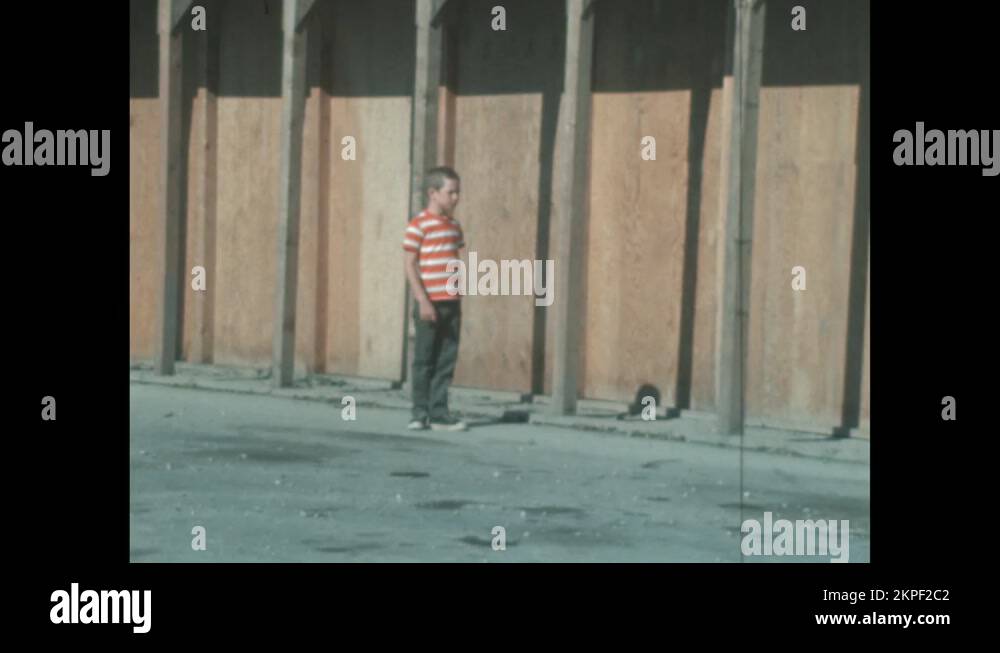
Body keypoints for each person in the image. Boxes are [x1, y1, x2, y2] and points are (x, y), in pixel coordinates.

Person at [402, 166, 468, 431]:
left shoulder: (454, 226)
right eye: (450, 192)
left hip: (451, 302)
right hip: (429, 303)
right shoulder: (419, 225)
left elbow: (455, 258)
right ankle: (419, 413)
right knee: (424, 360)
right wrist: (423, 301)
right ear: (433, 193)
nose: (456, 198)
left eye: (457, 193)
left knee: (445, 360)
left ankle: (439, 413)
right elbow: (410, 265)